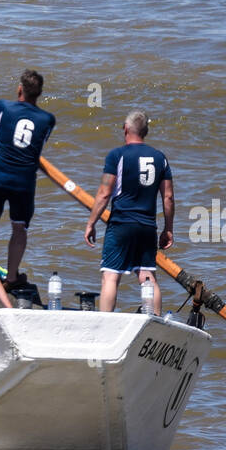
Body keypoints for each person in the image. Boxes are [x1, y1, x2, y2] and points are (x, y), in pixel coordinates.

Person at [0, 69, 55, 284]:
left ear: (19, 89)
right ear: (40, 93)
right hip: (24, 180)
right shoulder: (48, 119)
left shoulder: (2, 106)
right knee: (19, 227)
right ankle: (12, 277)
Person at [83, 111, 174, 313]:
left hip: (121, 224)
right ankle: (156, 322)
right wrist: (168, 228)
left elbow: (104, 194)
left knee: (110, 276)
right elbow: (167, 197)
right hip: (147, 226)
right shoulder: (160, 158)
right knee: (147, 276)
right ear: (146, 131)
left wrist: (91, 223)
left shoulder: (117, 155)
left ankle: (105, 322)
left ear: (125, 128)